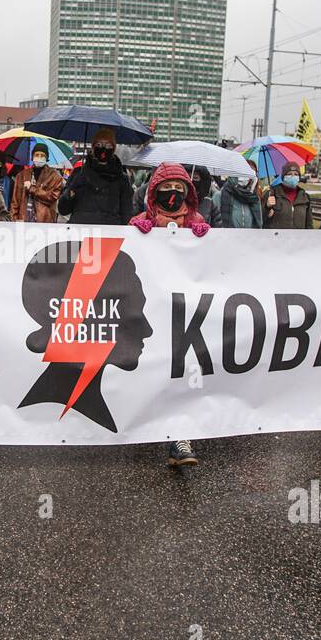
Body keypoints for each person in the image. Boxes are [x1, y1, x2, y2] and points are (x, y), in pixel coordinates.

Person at [130, 162, 209, 469]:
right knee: (153, 370)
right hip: (151, 311)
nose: (173, 195)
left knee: (182, 370)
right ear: (154, 192)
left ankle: (180, 437)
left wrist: (205, 239)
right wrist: (136, 234)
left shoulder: (198, 221)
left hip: (185, 312)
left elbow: (211, 263)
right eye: (167, 189)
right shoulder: (140, 222)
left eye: (179, 189)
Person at [56, 127, 134, 224]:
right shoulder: (79, 173)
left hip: (110, 235)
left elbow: (127, 215)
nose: (103, 148)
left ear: (113, 149)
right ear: (93, 147)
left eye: (108, 145)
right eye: (99, 144)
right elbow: (63, 209)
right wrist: (72, 188)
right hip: (80, 233)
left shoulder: (122, 179)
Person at [10, 143, 63, 223]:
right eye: (37, 155)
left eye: (42, 155)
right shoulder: (21, 175)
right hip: (23, 220)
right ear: (32, 157)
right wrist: (14, 220)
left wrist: (32, 189)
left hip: (44, 222)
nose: (39, 157)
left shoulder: (54, 177)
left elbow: (52, 197)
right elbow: (15, 202)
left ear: (47, 158)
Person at [211, 162, 264, 229]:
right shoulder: (219, 196)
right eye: (244, 172)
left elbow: (260, 224)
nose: (246, 177)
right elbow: (212, 224)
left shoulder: (254, 199)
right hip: (226, 238)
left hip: (250, 238)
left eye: (251, 174)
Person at [263, 162, 314, 229]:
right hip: (277, 238)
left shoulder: (305, 197)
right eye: (289, 174)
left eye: (296, 174)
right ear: (283, 177)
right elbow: (260, 219)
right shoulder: (271, 194)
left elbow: (309, 224)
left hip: (298, 238)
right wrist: (267, 207)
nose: (293, 176)